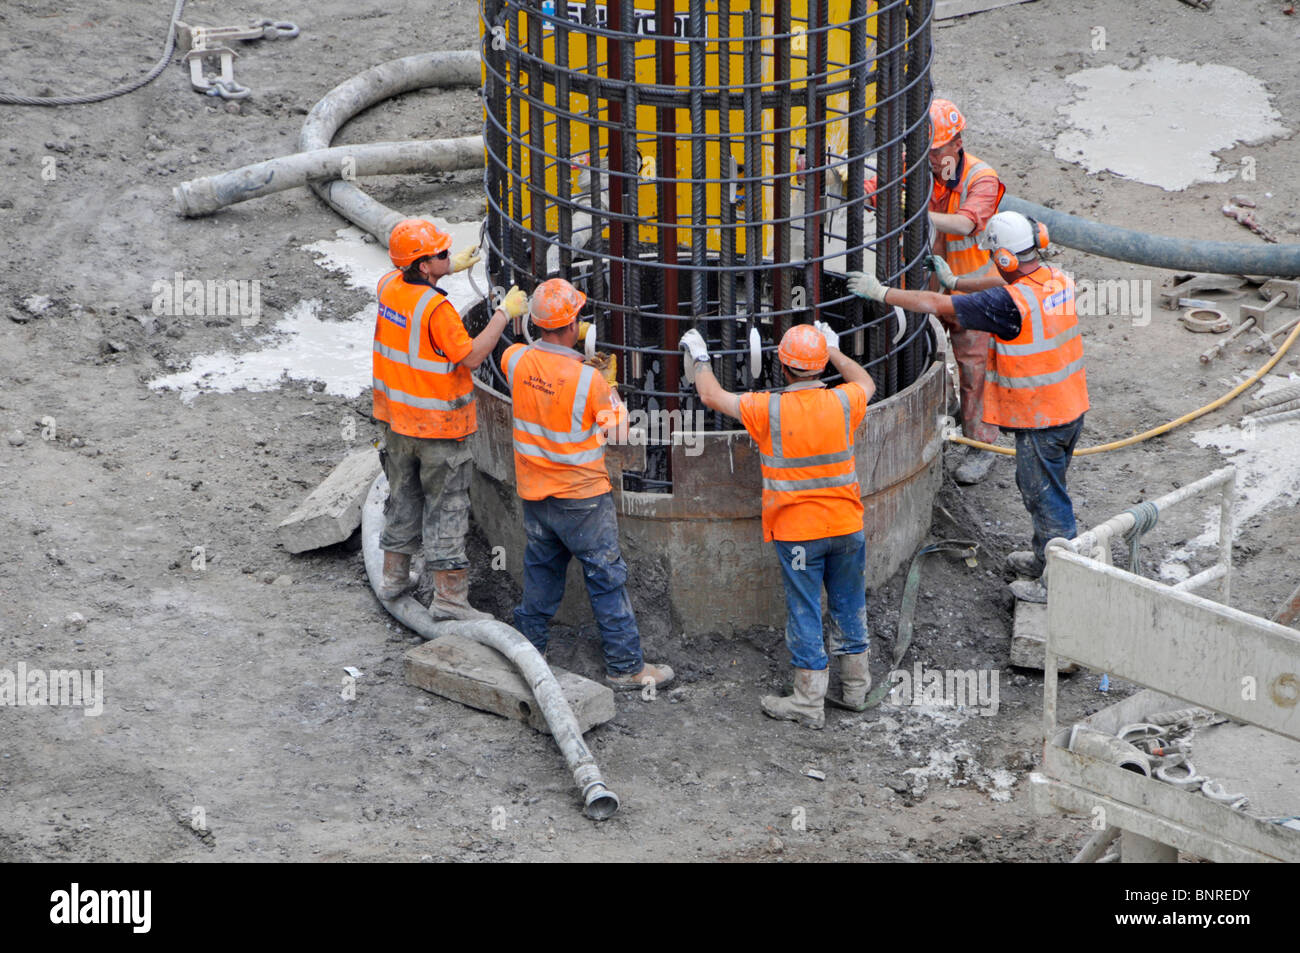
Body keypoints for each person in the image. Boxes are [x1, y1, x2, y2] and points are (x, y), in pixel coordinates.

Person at [846, 210, 1089, 603]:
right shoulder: (1056, 278)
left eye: (995, 256)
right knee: (1048, 488)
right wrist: (957, 281)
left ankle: (1058, 580)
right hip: (1071, 406)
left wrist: (882, 293)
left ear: (1005, 257)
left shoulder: (1010, 304)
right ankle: (1045, 558)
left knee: (1044, 496)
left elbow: (934, 303)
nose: (994, 263)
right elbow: (1004, 281)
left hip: (1042, 417)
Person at [683, 322, 876, 729]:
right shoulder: (845, 401)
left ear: (782, 368)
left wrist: (700, 357)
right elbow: (866, 382)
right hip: (846, 527)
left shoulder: (768, 409)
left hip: (798, 534)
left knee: (805, 609)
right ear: (822, 367)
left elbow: (710, 395)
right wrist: (833, 350)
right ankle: (856, 688)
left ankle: (808, 701)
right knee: (849, 602)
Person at [502, 278, 674, 691]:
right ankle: (625, 667)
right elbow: (619, 433)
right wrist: (609, 387)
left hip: (536, 495)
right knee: (605, 579)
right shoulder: (588, 382)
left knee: (541, 574)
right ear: (572, 325)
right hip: (582, 500)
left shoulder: (514, 359)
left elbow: (535, 375)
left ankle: (530, 651)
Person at [372, 218, 527, 617]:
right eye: (441, 254)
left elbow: (407, 286)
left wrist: (451, 266)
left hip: (396, 423)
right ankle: (450, 599)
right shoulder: (437, 310)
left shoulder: (388, 287)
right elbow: (471, 357)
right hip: (439, 431)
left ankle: (393, 577)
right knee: (447, 510)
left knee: (402, 497)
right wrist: (504, 314)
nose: (448, 255)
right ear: (423, 266)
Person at [926, 98, 1007, 485]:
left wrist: (917, 215)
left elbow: (964, 224)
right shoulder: (916, 169)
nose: (930, 158)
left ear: (957, 144)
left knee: (976, 369)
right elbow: (872, 186)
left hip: (972, 292)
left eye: (936, 150)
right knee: (926, 357)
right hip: (929, 291)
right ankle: (952, 411)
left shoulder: (981, 179)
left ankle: (982, 444)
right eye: (925, 150)